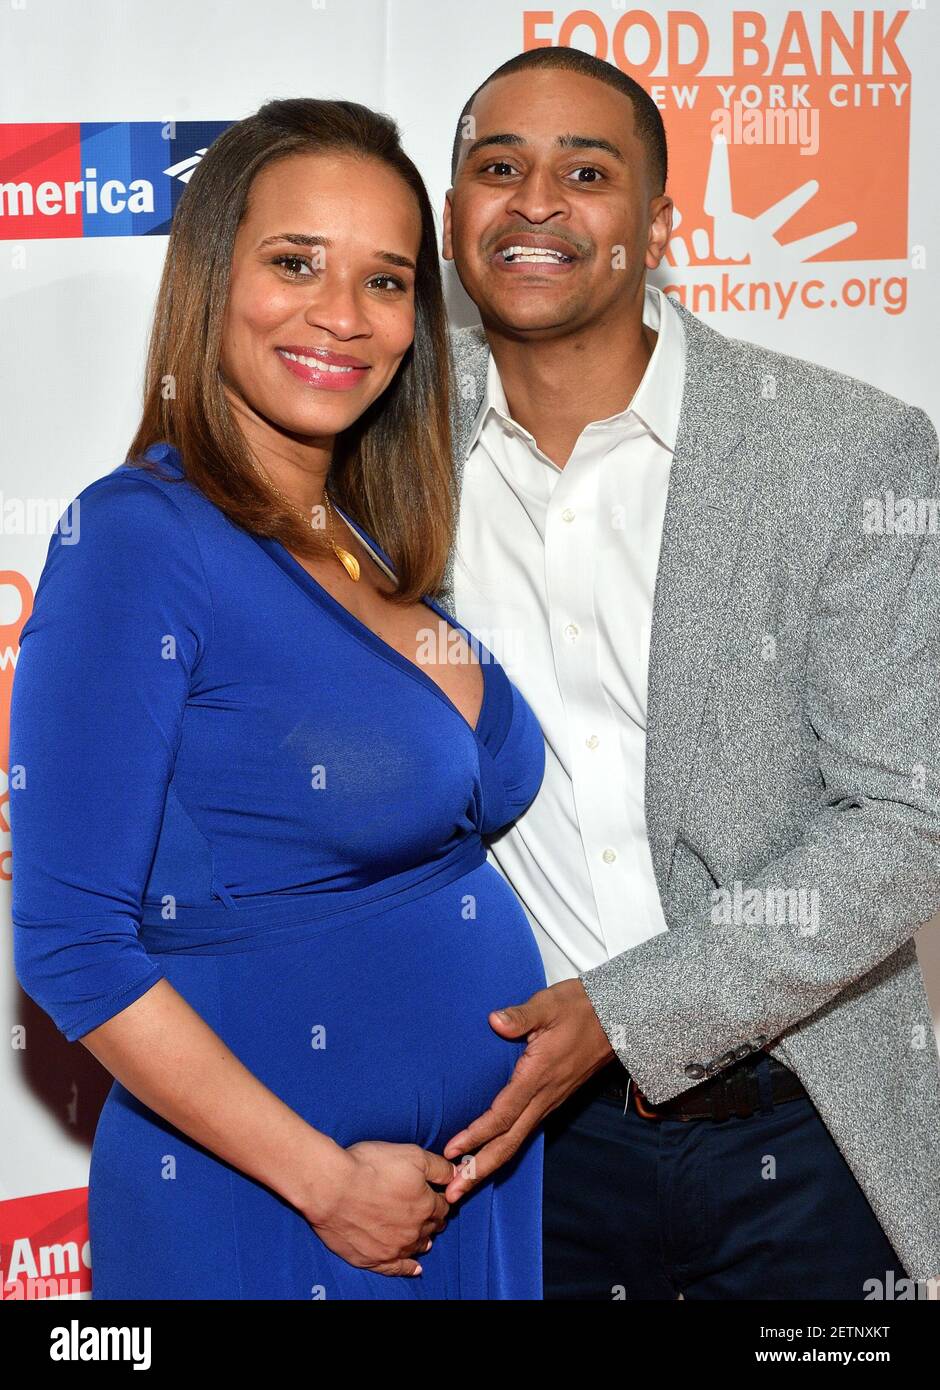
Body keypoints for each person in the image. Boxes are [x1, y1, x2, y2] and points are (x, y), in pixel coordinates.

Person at [10, 97, 548, 1300]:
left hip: (469, 1194)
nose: (342, 317)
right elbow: (69, 944)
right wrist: (323, 1181)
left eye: (387, 280)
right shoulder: (137, 540)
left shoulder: (354, 535)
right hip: (279, 1214)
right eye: (295, 262)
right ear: (212, 279)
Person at [435, 46, 940, 1298]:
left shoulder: (842, 448)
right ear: (453, 217)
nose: (536, 201)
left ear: (661, 223)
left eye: (585, 171)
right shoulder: (376, 446)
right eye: (499, 167)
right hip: (509, 1148)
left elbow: (908, 815)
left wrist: (628, 1010)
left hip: (798, 1131)